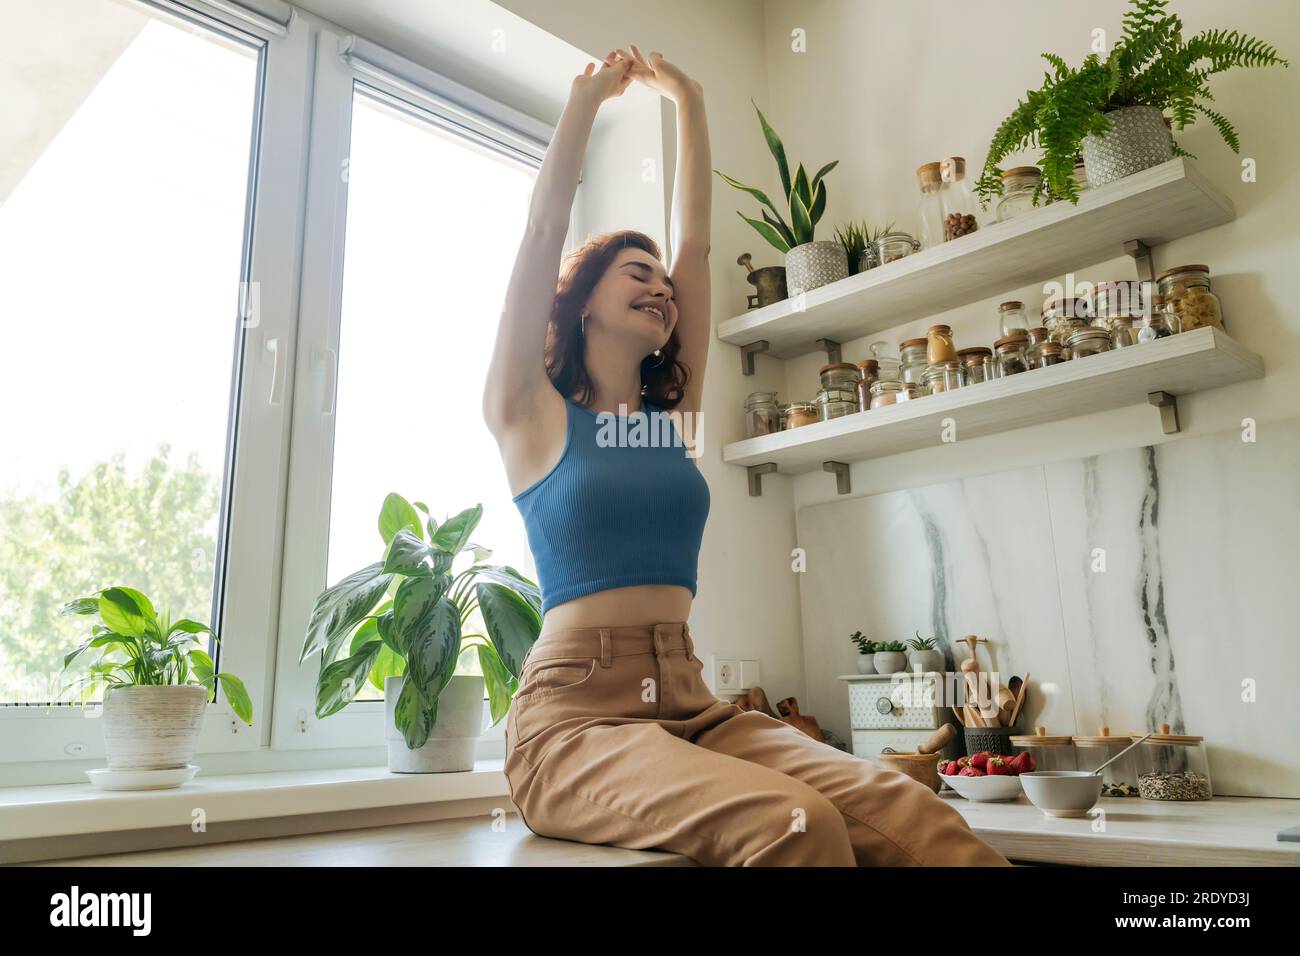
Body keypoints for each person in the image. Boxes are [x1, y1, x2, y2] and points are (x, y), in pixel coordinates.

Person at [482, 47, 1009, 867]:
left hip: (692, 703)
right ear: (581, 302)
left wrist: (692, 100)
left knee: (917, 816)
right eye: (634, 273)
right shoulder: (528, 414)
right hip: (575, 722)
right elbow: (544, 228)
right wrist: (585, 102)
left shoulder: (671, 423)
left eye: (661, 280)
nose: (661, 285)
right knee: (794, 822)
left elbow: (694, 247)